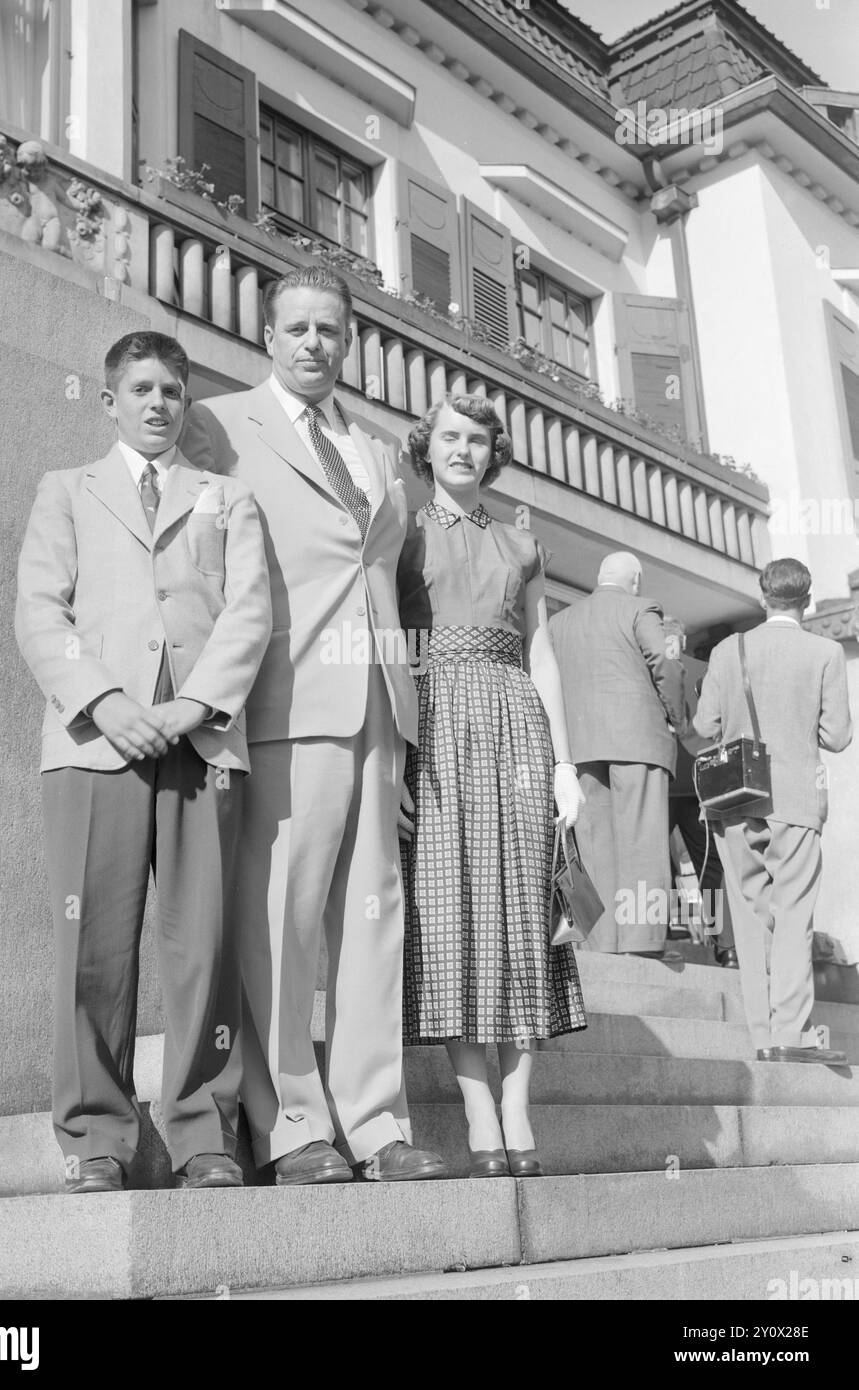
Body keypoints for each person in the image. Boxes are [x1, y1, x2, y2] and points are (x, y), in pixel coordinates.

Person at [178, 267, 446, 1185]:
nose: (312, 344)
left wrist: (408, 728)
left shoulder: (379, 456)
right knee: (282, 922)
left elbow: (384, 585)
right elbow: (195, 565)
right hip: (284, 701)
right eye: (295, 328)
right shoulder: (219, 426)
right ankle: (291, 1123)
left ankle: (376, 1123)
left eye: (328, 330)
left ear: (347, 341)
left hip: (379, 708)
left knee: (372, 923)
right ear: (267, 335)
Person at [15, 331, 271, 1194]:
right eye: (141, 388)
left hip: (200, 742)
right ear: (109, 400)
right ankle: (95, 1137)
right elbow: (40, 613)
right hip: (95, 746)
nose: (158, 403)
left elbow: (247, 617)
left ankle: (204, 1132)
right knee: (92, 948)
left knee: (203, 944)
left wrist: (191, 707)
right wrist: (107, 704)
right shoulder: (65, 492)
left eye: (171, 389)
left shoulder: (227, 498)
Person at [398, 396, 586, 1178]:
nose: (464, 450)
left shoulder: (521, 544)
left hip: (514, 723)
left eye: (477, 439)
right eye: (450, 436)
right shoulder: (400, 533)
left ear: (492, 452)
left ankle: (516, 1106)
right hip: (434, 720)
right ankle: (477, 1110)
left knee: (518, 911)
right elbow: (386, 640)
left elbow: (540, 651)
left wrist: (564, 763)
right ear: (427, 446)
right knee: (449, 914)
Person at [693, 558, 852, 1064]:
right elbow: (838, 737)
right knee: (793, 913)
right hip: (794, 800)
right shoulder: (825, 651)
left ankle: (763, 1035)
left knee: (751, 916)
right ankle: (792, 1031)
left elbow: (704, 725)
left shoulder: (728, 649)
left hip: (734, 799)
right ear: (805, 601)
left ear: (763, 597)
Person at [548, 552, 686, 956]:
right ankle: (642, 943)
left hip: (580, 746)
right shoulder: (641, 608)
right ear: (636, 580)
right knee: (641, 841)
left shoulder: (560, 622)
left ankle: (600, 945)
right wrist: (675, 715)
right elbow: (663, 659)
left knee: (593, 847)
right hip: (638, 740)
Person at [664, 616, 737, 968]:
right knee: (696, 866)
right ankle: (714, 943)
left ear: (679, 639)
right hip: (670, 782)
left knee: (710, 866)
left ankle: (724, 943)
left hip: (689, 783)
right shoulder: (659, 669)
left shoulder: (700, 671)